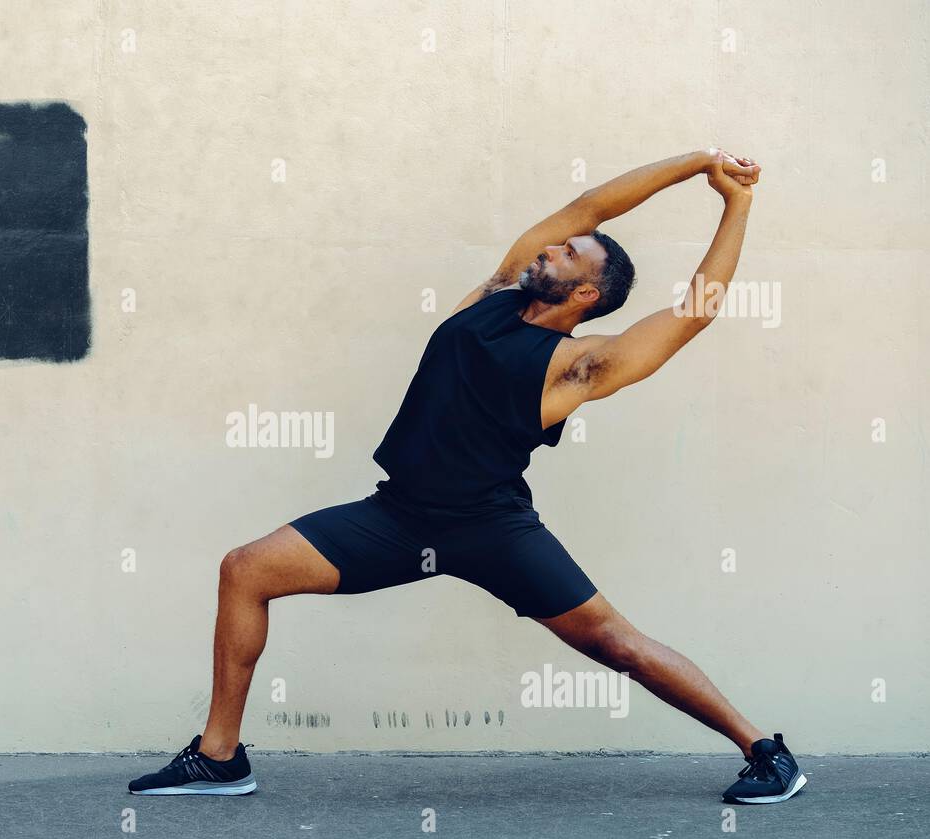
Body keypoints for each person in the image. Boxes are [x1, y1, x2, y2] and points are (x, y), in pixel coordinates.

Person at [129, 148, 806, 805]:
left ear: (586, 293)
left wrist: (736, 203)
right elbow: (591, 205)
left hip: (490, 529)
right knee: (245, 570)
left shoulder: (577, 367)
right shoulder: (496, 293)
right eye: (560, 243)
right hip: (396, 518)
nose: (555, 245)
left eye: (571, 253)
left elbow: (697, 310)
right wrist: (694, 163)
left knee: (616, 644)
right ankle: (220, 757)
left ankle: (763, 751)